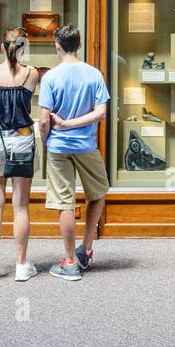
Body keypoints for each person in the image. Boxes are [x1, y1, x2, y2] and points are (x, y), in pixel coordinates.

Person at [37, 24, 109, 281]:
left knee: (64, 203)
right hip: (86, 146)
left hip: (58, 147)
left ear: (58, 46)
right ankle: (86, 249)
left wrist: (51, 137)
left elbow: (43, 119)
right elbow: (100, 113)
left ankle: (69, 262)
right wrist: (74, 124)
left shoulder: (50, 77)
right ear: (79, 45)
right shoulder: (94, 75)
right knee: (98, 193)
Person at [0, 27, 41, 283]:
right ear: (23, 47)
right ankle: (21, 266)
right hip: (22, 139)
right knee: (21, 205)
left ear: (2, 46)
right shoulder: (31, 74)